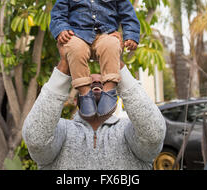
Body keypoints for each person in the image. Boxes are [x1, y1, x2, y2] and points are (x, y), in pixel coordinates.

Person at [22, 40, 166, 170]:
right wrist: (66, 62)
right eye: (88, 85)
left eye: (104, 82)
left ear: (116, 99)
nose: (96, 82)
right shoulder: (61, 131)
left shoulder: (129, 131)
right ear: (75, 101)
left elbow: (154, 134)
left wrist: (114, 60)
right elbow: (36, 140)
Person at [49, 0, 141, 119]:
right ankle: (84, 92)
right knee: (73, 48)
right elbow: (57, 15)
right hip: (79, 35)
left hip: (106, 34)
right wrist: (62, 30)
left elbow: (128, 14)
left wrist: (131, 35)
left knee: (112, 45)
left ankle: (109, 90)